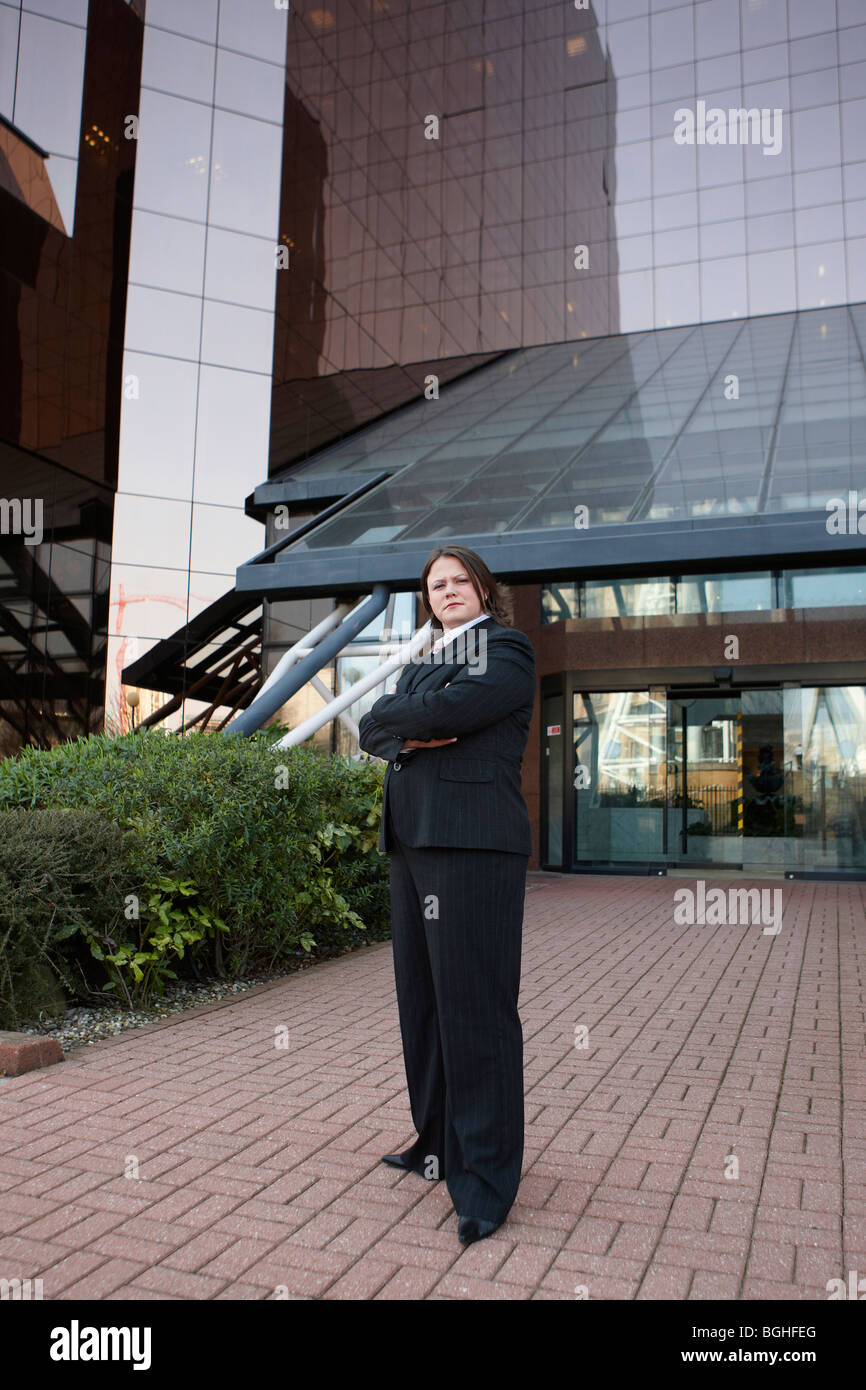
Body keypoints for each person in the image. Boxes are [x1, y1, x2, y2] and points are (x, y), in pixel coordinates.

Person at [357, 545, 536, 1246]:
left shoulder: (507, 648)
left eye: (462, 580)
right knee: (423, 1003)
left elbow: (454, 709)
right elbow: (376, 727)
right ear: (426, 597)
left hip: (472, 845)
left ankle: (486, 1181)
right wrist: (415, 721)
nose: (449, 589)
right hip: (412, 843)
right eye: (438, 583)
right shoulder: (424, 656)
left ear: (483, 590)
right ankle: (435, 1144)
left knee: (476, 1010)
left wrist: (412, 718)